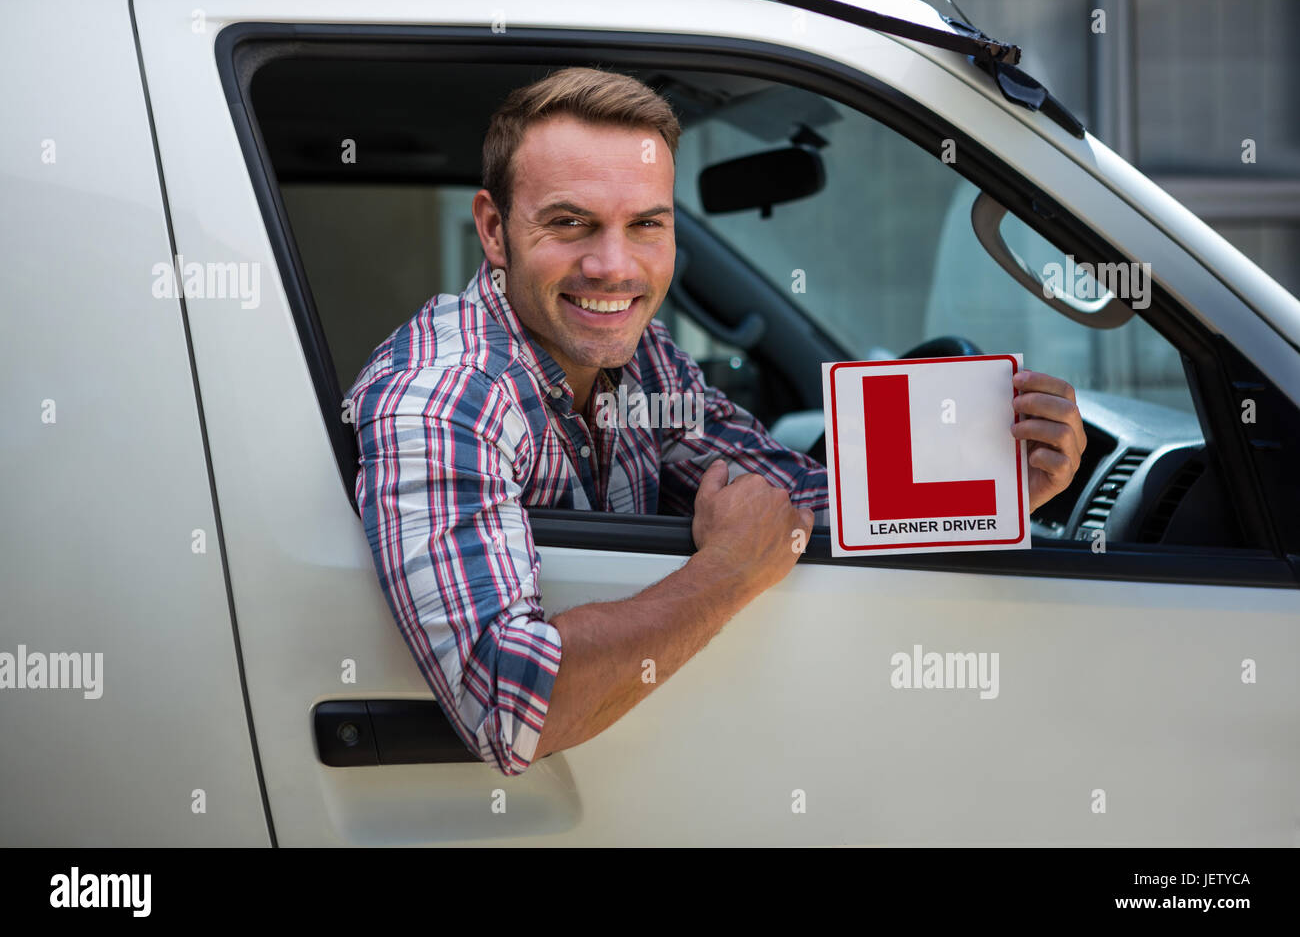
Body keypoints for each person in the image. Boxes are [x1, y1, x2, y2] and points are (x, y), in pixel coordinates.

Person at [346, 67, 1086, 776]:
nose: (614, 266)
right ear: (495, 229)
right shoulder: (446, 400)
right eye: (571, 223)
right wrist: (726, 573)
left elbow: (787, 504)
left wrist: (996, 487)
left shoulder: (642, 360)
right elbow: (509, 709)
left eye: (646, 225)